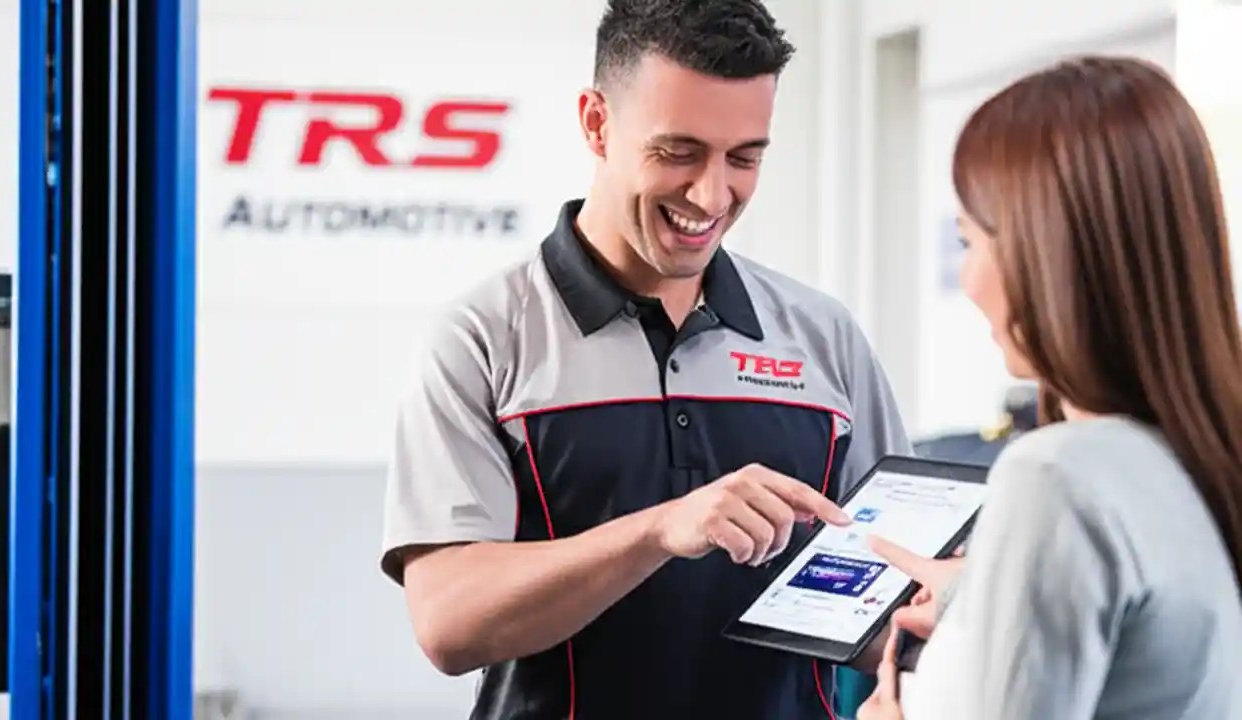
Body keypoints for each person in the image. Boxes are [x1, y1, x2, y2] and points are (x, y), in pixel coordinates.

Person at [378, 1, 912, 717]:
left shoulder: (824, 337)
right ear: (597, 123)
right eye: (678, 152)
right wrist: (660, 531)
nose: (711, 194)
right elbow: (448, 622)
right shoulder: (484, 336)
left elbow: (900, 592)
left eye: (744, 157)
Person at [857, 56, 1242, 719]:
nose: (969, 277)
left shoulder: (1057, 475)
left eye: (968, 241)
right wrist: (981, 593)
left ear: (1046, 256)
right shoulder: (1206, 452)